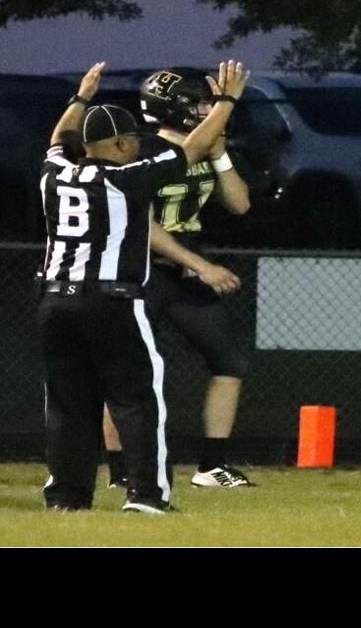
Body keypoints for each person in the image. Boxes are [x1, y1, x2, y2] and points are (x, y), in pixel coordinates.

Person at [38, 60, 248, 513]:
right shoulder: (123, 180)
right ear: (115, 144)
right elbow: (189, 152)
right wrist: (226, 103)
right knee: (138, 399)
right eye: (129, 140)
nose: (136, 145)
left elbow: (59, 139)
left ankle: (66, 497)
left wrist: (80, 99)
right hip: (110, 299)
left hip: (55, 301)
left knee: (67, 405)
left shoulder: (54, 172)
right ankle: (146, 496)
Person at [103, 66, 255, 489]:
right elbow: (139, 223)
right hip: (139, 273)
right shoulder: (140, 150)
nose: (211, 110)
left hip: (184, 273)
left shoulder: (207, 148)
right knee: (130, 374)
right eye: (202, 103)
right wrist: (200, 264)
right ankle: (121, 472)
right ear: (176, 108)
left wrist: (220, 152)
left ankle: (212, 465)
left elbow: (240, 205)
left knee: (229, 362)